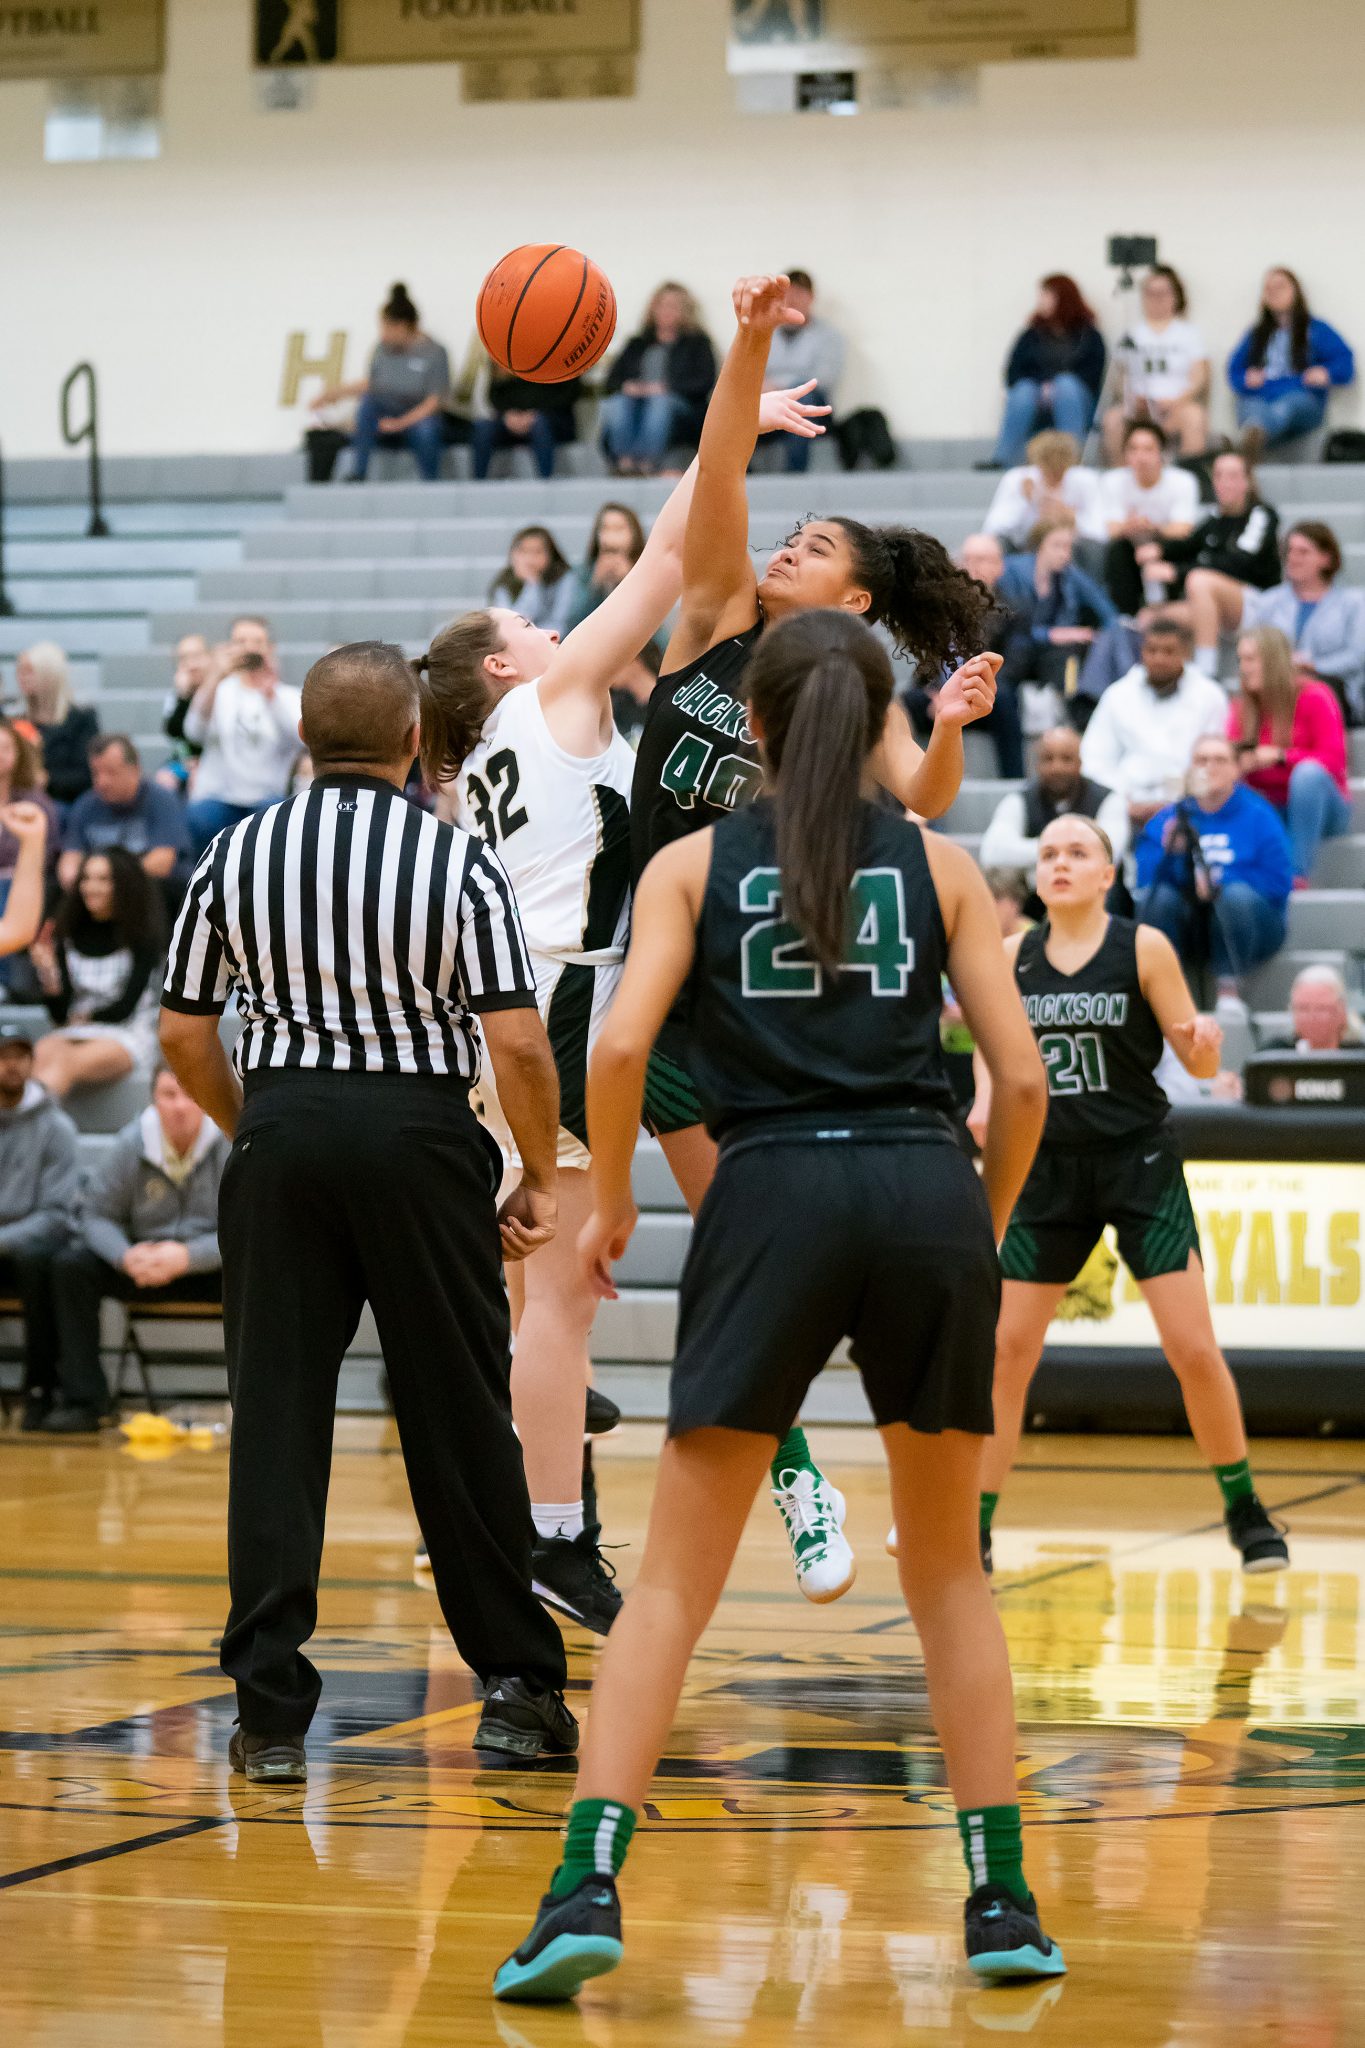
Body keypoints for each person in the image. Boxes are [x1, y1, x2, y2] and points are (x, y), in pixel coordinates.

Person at [493, 609, 1063, 2006]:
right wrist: (980, 1223)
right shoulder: (941, 866)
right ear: (884, 725)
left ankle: (584, 1884)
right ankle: (999, 1900)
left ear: (750, 725)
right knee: (949, 1574)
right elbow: (1023, 1080)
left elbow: (621, 1044)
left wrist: (612, 1201)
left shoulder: (691, 863)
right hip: (922, 1185)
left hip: (770, 1190)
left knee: (674, 1584)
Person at [422, 379, 830, 1636]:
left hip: (515, 999)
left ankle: (536, 1473)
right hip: (564, 996)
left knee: (542, 1293)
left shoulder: (485, 759)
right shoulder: (546, 702)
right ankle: (553, 1537)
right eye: (530, 623)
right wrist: (733, 417)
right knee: (556, 1296)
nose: (554, 626)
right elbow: (666, 555)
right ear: (503, 665)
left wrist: (734, 424)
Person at [627, 273, 1002, 1602]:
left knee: (739, 1246)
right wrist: (746, 338)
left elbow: (922, 801)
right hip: (633, 960)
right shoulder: (715, 615)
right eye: (790, 534)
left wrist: (947, 725)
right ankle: (578, 1497)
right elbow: (721, 467)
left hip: (730, 994)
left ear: (855, 600)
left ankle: (789, 1473)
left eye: (816, 544)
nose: (788, 548)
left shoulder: (847, 690)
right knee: (629, 1247)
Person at [159, 639, 577, 1783]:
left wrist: (257, 1121)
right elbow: (519, 1040)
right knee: (459, 1414)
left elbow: (185, 1030)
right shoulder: (457, 858)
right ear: (411, 740)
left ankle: (270, 1716)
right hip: (421, 1142)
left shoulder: (232, 852)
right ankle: (517, 1688)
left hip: (283, 1135)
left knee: (277, 1420)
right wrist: (539, 1174)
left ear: (302, 738)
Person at [969, 814, 1290, 1578]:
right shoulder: (1011, 956)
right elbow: (991, 1050)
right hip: (1046, 1169)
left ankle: (1244, 1510)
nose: (1059, 863)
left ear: (1107, 875)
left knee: (1191, 1348)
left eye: (1076, 852)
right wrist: (983, 1101)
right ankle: (973, 1525)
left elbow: (1197, 1061)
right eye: (1048, 853)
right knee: (1006, 1352)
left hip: (1135, 1163)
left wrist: (1205, 1047)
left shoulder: (1142, 947)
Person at [41, 1064, 229, 1434]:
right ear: (153, 1099)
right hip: (142, 1267)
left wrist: (189, 1257)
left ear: (204, 1099)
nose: (179, 1106)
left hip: (210, 1270)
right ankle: (85, 1401)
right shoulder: (131, 1144)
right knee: (71, 1266)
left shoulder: (229, 1144)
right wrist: (124, 1256)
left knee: (262, 1270)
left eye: (189, 1095)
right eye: (168, 1095)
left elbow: (247, 1228)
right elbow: (94, 1214)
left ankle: (257, 1402)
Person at [1136, 735, 1294, 981]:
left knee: (1234, 896)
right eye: (1202, 760)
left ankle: (1228, 986)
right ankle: (1163, 985)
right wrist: (1174, 858)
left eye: (1220, 760)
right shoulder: (1170, 818)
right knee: (1159, 899)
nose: (1210, 767)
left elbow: (1279, 883)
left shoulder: (1260, 815)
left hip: (1253, 925)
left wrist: (1218, 881)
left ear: (1236, 769)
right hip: (1192, 925)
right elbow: (1145, 881)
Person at [30, 849, 166, 1099]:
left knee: (64, 1061)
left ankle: (28, 1120)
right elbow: (59, 1014)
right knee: (38, 1054)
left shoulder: (142, 936)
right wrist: (48, 971)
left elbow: (125, 1007)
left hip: (129, 1032)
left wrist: (84, 1017)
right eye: (86, 878)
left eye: (103, 879)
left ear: (124, 885)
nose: (91, 887)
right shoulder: (66, 932)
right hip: (74, 1029)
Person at [1080, 616, 1228, 836]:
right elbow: (1094, 760)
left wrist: (1171, 803)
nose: (1159, 658)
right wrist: (1125, 803)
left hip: (1191, 805)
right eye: (1152, 650)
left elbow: (1216, 762)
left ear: (1185, 653)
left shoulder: (1209, 696)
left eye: (1168, 651)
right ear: (1142, 651)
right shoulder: (1118, 695)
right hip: (1125, 806)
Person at [0, 1021, 79, 1432]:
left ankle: (39, 1389)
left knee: (39, 1263)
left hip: (30, 1246)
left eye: (20, 1056)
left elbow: (57, 1214)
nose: (11, 1065)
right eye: (3, 1056)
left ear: (32, 1063)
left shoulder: (56, 1127)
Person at [1229, 626, 1351, 882]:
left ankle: (1297, 875)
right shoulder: (1241, 708)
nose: (1243, 668)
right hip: (1272, 806)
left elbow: (1334, 761)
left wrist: (1280, 757)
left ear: (1273, 661)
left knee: (1307, 775)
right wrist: (1240, 764)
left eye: (1250, 659)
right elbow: (1229, 756)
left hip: (1322, 806)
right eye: (1240, 660)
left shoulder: (1315, 695)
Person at [1146, 451, 1280, 673]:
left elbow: (1240, 562)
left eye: (1232, 476)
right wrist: (1158, 549)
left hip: (1259, 602)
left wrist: (1177, 572)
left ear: (1247, 482)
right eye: (1218, 476)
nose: (1224, 483)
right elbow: (1188, 544)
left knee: (1198, 580)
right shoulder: (1216, 517)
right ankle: (1173, 677)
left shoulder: (1261, 515)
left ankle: (1206, 671)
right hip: (1217, 605)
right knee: (1149, 618)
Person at [181, 621, 304, 856]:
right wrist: (215, 675)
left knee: (273, 820)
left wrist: (270, 694)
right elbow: (193, 732)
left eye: (256, 642)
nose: (248, 649)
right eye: (240, 642)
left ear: (270, 649)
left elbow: (300, 739)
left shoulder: (286, 696)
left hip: (266, 799)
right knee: (199, 817)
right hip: (218, 798)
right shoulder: (218, 690)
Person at [313, 283, 451, 482]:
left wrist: (400, 424)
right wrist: (332, 394)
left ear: (402, 326)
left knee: (427, 430)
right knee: (367, 405)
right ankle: (359, 473)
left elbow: (434, 402)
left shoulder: (435, 352)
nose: (382, 334)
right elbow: (372, 384)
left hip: (418, 417)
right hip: (387, 411)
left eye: (387, 327)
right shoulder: (382, 349)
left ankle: (430, 482)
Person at [1242, 523, 1365, 723]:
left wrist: (1314, 665)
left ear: (1326, 559)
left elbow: (1357, 656)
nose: (1293, 558)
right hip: (1277, 684)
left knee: (1315, 688)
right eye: (1290, 551)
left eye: (1303, 552)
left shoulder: (1353, 603)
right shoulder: (1268, 602)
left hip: (1332, 687)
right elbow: (1251, 645)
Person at [1228, 268, 1355, 457]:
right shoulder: (1256, 334)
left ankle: (1249, 443)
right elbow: (1234, 371)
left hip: (1301, 398)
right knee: (1250, 407)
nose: (1274, 292)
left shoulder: (1316, 329)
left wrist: (1327, 373)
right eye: (1268, 289)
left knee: (1286, 407)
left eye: (1280, 286)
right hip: (1262, 396)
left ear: (1296, 291)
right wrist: (1245, 378)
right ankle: (1254, 435)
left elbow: (1345, 363)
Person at [979, 724, 1129, 877]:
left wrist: (1047, 853)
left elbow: (1110, 853)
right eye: (1048, 759)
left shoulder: (1108, 799)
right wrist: (1067, 849)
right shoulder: (1019, 800)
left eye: (1066, 759)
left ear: (1080, 763)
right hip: (1036, 886)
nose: (1057, 768)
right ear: (1036, 764)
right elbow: (992, 852)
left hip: (1092, 886)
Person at [989, 275, 1106, 469]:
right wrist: (1043, 387)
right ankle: (1003, 459)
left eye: (1046, 295)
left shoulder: (1089, 336)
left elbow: (1093, 375)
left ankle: (1072, 458)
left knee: (1066, 386)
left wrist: (1056, 386)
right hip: (1035, 397)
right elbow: (1013, 373)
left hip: (1075, 399)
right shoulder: (1030, 335)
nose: (1041, 300)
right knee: (1024, 390)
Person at [601, 283, 717, 476]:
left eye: (673, 306)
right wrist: (628, 386)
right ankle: (624, 461)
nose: (666, 311)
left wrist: (666, 388)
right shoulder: (637, 343)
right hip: (637, 400)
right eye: (662, 305)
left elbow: (704, 381)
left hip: (678, 402)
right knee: (617, 403)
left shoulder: (698, 343)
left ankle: (647, 462)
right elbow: (612, 381)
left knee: (659, 403)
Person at [996, 515, 1118, 690]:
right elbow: (1010, 625)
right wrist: (1053, 634)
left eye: (1068, 547)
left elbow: (1105, 608)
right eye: (1057, 546)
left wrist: (1105, 637)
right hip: (1016, 647)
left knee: (1073, 655)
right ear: (1039, 545)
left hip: (1054, 651)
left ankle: (1072, 700)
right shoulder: (1012, 571)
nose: (1064, 554)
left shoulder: (1069, 574)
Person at [1103, 263, 1210, 462]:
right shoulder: (1131, 334)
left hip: (1177, 406)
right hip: (1139, 409)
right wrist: (1133, 399)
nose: (1157, 298)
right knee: (1113, 419)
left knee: (1195, 417)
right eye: (1151, 293)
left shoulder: (1189, 334)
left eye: (1163, 293)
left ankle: (1192, 474)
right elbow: (1119, 378)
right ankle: (1120, 474)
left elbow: (1199, 378)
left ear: (1175, 296)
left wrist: (1174, 402)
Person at [59, 735, 188, 891]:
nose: (102, 782)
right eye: (96, 773)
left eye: (111, 772)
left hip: (151, 893)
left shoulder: (161, 800)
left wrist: (108, 879)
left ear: (135, 770)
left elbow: (163, 861)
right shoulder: (85, 805)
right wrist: (77, 880)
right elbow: (70, 860)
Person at [1100, 422, 1200, 615]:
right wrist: (1131, 527)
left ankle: (1171, 609)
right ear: (1125, 454)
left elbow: (1184, 529)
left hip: (1166, 548)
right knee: (1117, 549)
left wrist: (1153, 528)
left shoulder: (1182, 481)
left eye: (1148, 449)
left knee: (1178, 547)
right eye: (1134, 449)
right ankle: (1126, 616)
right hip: (1130, 550)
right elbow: (1111, 529)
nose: (1141, 456)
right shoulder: (1112, 481)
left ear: (1161, 452)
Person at [761, 270, 845, 472]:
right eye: (787, 294)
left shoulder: (828, 336)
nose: (792, 300)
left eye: (799, 294)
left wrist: (780, 387)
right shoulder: (764, 333)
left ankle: (795, 473)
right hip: (771, 403)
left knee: (802, 397)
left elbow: (824, 378)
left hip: (813, 406)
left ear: (811, 298)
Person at [983, 430, 1107, 559]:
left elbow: (1100, 533)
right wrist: (1025, 502)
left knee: (1092, 547)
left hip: (1072, 550)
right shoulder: (1018, 478)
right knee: (998, 543)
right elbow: (993, 528)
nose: (1053, 475)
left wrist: (1072, 518)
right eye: (1047, 469)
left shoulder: (1084, 480)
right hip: (1024, 549)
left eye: (1060, 470)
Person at [12, 642, 100, 805]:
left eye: (29, 671)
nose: (21, 677)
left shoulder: (81, 719)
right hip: (18, 799)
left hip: (64, 802)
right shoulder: (16, 720)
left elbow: (86, 776)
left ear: (49, 674)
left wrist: (47, 780)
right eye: (19, 671)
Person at [473, 367, 581, 482]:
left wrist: (534, 413)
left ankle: (546, 483)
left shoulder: (560, 361)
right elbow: (495, 394)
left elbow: (569, 393)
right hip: (511, 417)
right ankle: (478, 483)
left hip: (551, 417)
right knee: (482, 427)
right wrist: (507, 414)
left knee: (540, 425)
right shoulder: (510, 359)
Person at [564, 504, 647, 634]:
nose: (610, 536)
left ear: (634, 534)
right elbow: (571, 624)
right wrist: (595, 584)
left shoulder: (647, 571)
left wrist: (629, 581)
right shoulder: (584, 572)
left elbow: (656, 632)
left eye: (618, 529)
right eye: (605, 528)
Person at [0, 717, 61, 895]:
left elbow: (47, 853)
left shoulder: (35, 802)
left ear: (18, 754)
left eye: (5, 748)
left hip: (21, 885)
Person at [488, 526, 577, 639]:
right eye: (523, 551)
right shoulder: (504, 582)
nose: (530, 559)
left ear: (550, 555)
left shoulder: (564, 579)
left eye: (537, 552)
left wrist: (533, 583)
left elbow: (560, 624)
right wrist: (531, 585)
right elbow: (510, 623)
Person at [1268, 963, 1364, 1052]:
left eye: (1321, 1009)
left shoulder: (1359, 1056)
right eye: (1303, 1009)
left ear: (1341, 1012)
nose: (1312, 1017)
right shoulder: (1274, 1054)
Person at [160, 632, 211, 793]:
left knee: (198, 779)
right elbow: (173, 732)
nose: (191, 664)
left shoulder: (218, 692)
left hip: (214, 761)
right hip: (184, 760)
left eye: (196, 656)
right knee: (164, 780)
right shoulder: (177, 696)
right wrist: (183, 697)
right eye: (184, 659)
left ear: (210, 658)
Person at [610, 642, 662, 745]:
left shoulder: (671, 694)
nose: (607, 671)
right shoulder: (620, 712)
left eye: (612, 663)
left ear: (635, 658)